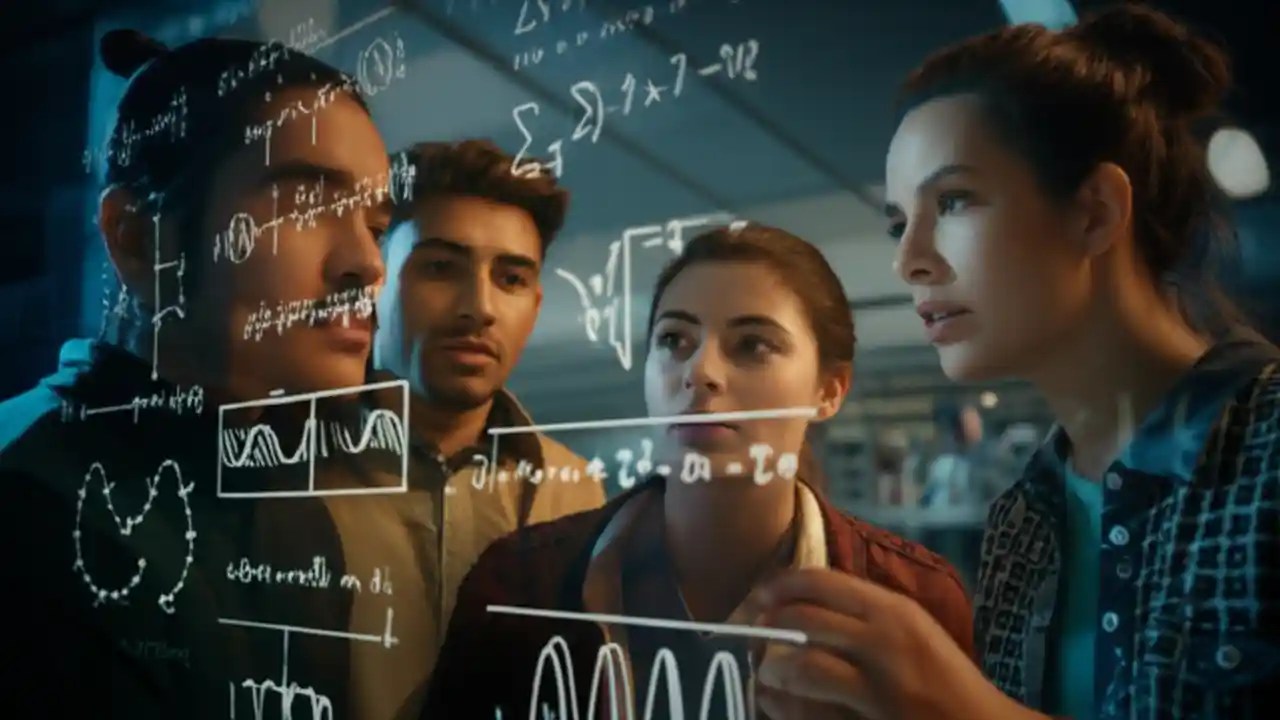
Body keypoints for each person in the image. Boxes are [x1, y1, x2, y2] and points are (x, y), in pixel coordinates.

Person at [749, 6, 1280, 720]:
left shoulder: (1267, 453)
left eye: (956, 200)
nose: (909, 260)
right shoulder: (1022, 522)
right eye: (902, 222)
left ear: (1093, 212)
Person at [423, 223, 973, 719]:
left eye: (752, 345)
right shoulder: (519, 585)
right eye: (673, 341)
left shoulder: (915, 602)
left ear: (829, 389)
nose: (700, 373)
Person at [0, 29, 392, 718]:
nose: (368, 264)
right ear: (137, 236)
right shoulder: (24, 491)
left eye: (376, 224)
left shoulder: (303, 528)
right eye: (309, 206)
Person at [316, 138, 606, 719]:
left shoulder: (575, 492)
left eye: (512, 278)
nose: (480, 307)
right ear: (375, 281)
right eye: (441, 268)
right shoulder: (288, 464)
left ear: (536, 304)